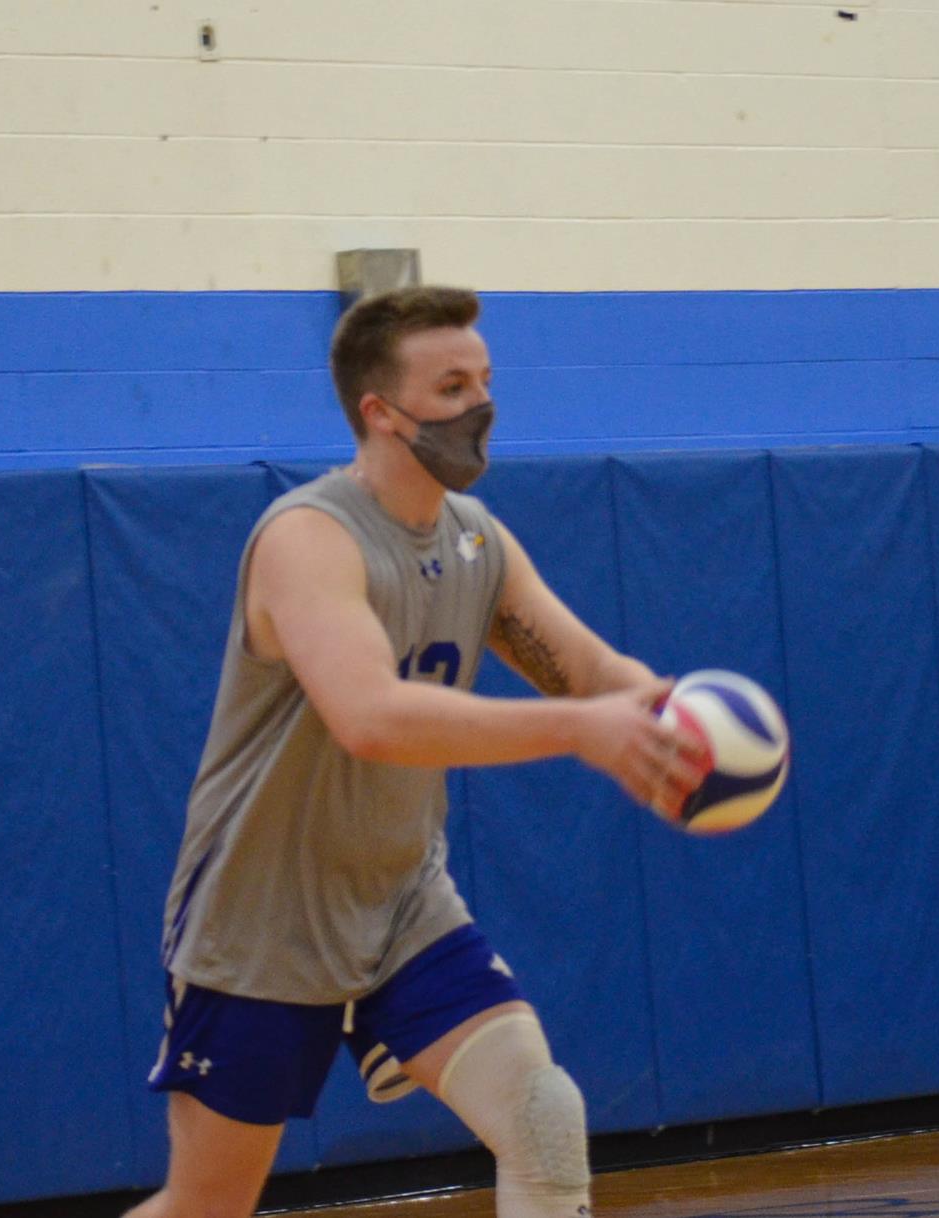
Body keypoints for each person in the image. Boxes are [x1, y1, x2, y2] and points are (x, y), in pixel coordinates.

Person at [127, 285, 707, 1218]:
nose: (482, 406)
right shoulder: (308, 539)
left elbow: (589, 670)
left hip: (401, 902)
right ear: (381, 412)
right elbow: (371, 717)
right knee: (206, 1206)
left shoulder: (478, 540)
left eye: (485, 381)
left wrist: (673, 715)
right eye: (452, 387)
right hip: (264, 919)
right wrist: (581, 732)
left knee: (543, 1117)